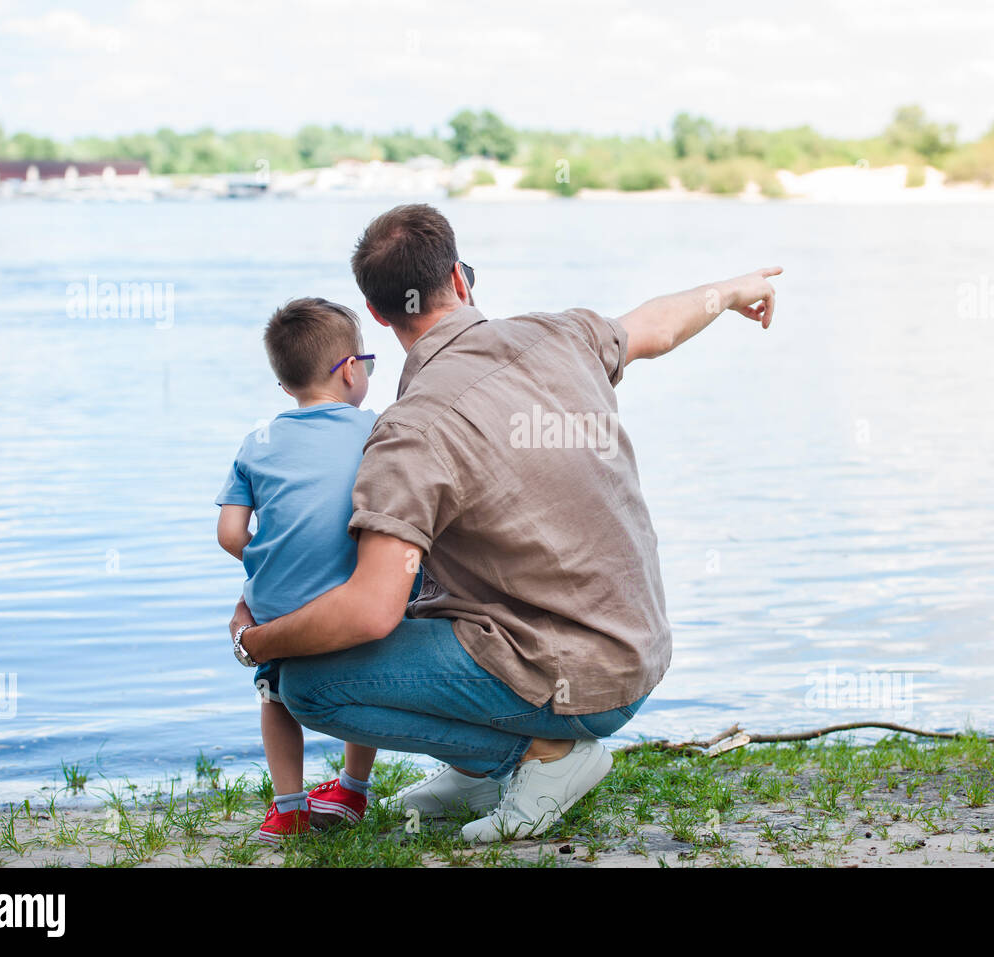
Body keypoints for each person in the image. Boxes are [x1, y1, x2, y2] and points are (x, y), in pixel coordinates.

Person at [229, 203, 781, 842]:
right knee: (428, 584)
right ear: (461, 279)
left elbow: (369, 612)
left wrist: (258, 641)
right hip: (639, 649)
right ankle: (474, 770)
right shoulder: (562, 334)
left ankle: (536, 760)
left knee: (307, 684)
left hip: (573, 679)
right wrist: (734, 288)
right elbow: (654, 324)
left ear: (378, 316)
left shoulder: (411, 429)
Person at [216, 297, 386, 844]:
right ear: (349, 368)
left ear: (286, 384)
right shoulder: (376, 430)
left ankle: (288, 807)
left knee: (273, 697)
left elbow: (229, 534)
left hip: (277, 606)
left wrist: (270, 559)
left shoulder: (257, 443)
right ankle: (353, 790)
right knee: (365, 694)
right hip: (354, 599)